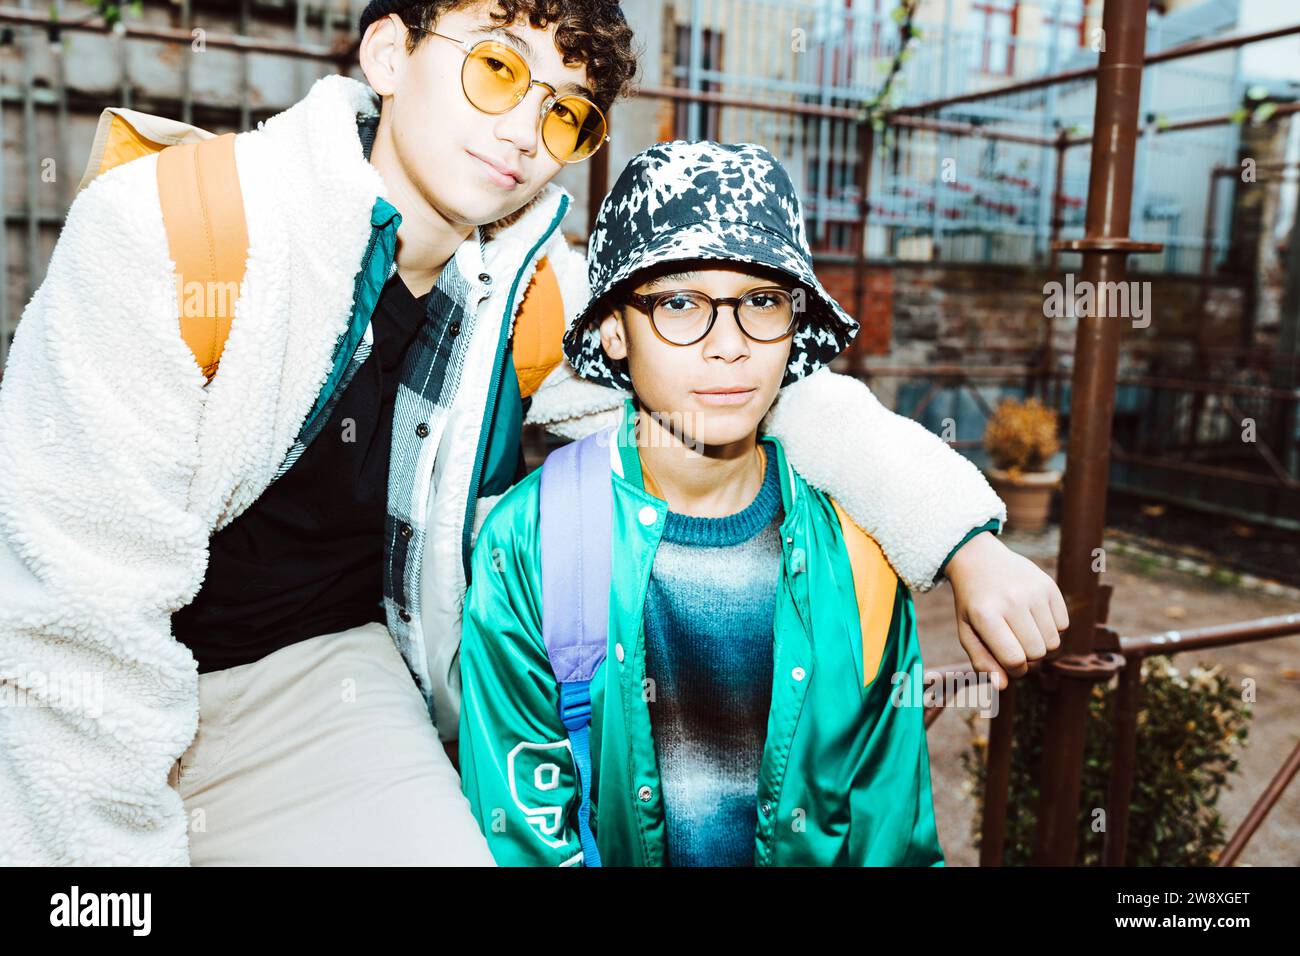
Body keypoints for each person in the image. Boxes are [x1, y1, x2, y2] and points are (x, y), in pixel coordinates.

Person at [0, 2, 1061, 866]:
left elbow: (745, 386)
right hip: (97, 691)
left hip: (321, 682)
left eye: (565, 114)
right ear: (388, 52)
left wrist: (963, 540)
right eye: (500, 70)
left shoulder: (523, 295)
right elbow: (71, 626)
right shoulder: (174, 233)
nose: (523, 130)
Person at [456, 141, 1060, 866]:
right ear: (614, 328)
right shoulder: (535, 543)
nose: (729, 345)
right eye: (680, 302)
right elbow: (521, 836)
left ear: (793, 323)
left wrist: (971, 546)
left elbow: (886, 835)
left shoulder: (857, 556)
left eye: (762, 302)